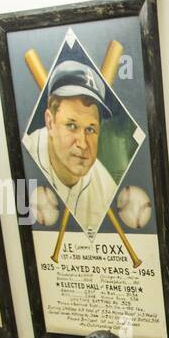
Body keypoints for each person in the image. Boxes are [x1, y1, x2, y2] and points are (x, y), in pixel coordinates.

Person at [23, 60, 117, 238]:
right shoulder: (25, 157)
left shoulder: (105, 186)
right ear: (50, 123)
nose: (82, 143)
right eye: (72, 126)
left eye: (90, 129)